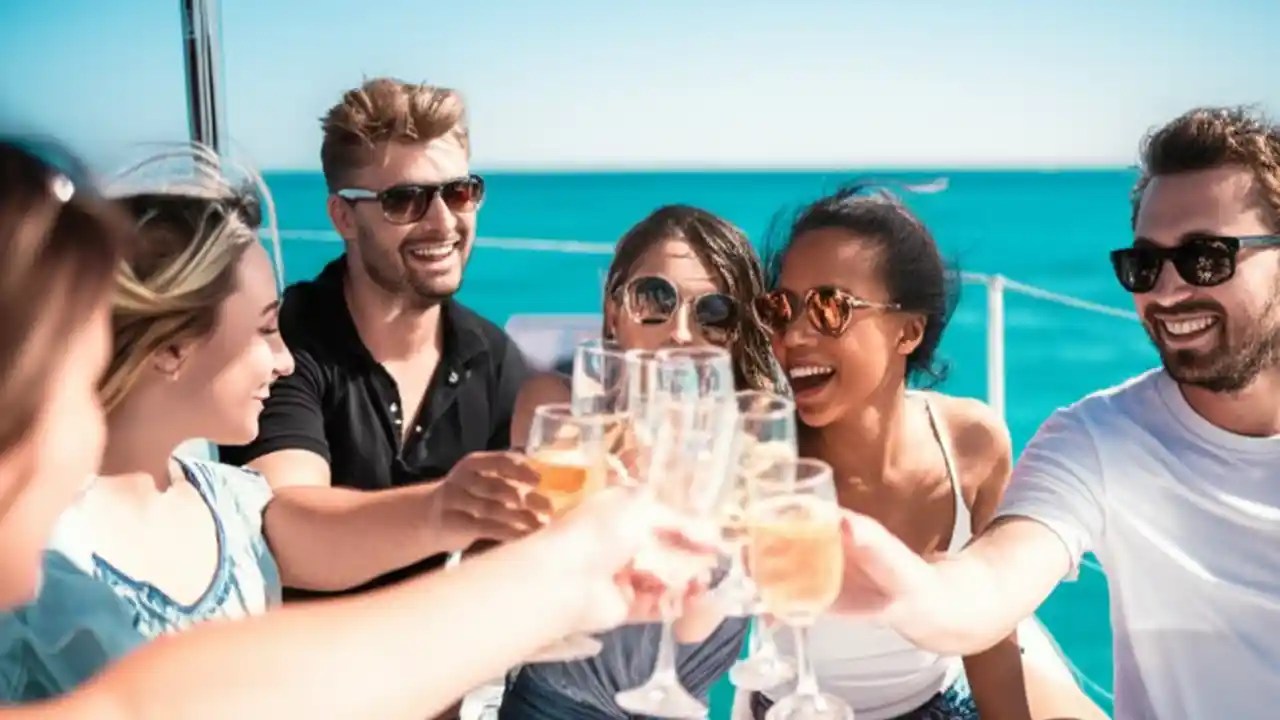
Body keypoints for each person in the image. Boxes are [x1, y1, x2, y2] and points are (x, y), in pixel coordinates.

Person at [0, 137, 711, 720]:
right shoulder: (61, 545)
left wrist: (459, 510)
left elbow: (315, 589)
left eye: (459, 191)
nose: (283, 358)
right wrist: (569, 570)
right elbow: (172, 700)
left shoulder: (230, 503)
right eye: (77, 377)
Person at [831, 105, 1280, 720]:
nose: (1168, 291)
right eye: (1144, 264)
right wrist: (905, 586)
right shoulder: (1102, 440)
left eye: (1207, 258)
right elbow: (992, 581)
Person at [749, 186, 1104, 719]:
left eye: (829, 307)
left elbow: (989, 637)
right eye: (781, 308)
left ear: (909, 331)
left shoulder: (971, 445)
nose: (793, 335)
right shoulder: (761, 453)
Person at [218, 78, 539, 598]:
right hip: (300, 672)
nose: (442, 223)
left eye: (459, 193)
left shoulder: (491, 355)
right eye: (404, 200)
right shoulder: (286, 344)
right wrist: (446, 508)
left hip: (438, 667)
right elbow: (285, 535)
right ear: (344, 216)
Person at [497, 205, 779, 718]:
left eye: (714, 313)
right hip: (553, 706)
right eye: (655, 300)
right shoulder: (557, 406)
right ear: (613, 311)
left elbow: (702, 622)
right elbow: (558, 553)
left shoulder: (756, 441)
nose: (680, 332)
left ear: (736, 333)